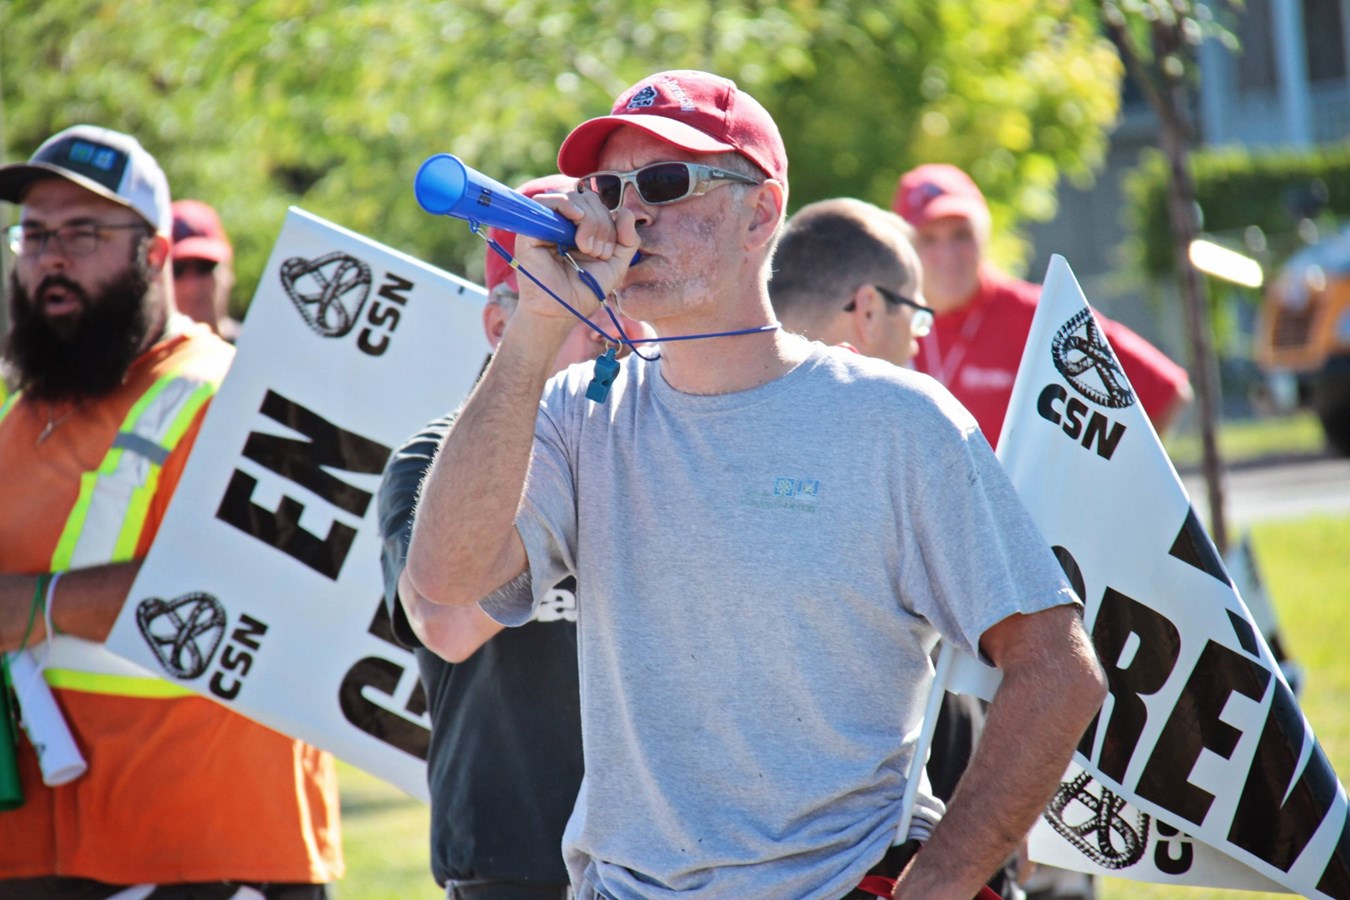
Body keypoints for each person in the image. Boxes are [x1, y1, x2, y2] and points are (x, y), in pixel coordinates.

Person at [405, 70, 1107, 900]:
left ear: (761, 214)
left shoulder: (897, 421)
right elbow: (445, 581)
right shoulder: (578, 412)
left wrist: (943, 879)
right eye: (607, 189)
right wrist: (535, 328)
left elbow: (1059, 672)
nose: (628, 216)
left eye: (665, 185)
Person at [0, 125, 342, 899]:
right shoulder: (17, 411)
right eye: (35, 233)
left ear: (154, 255)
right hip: (42, 852)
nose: (52, 256)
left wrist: (36, 606)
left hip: (210, 850)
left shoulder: (235, 396)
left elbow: (264, 590)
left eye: (84, 233)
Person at [379, 173, 650, 900]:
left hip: (663, 863)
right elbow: (445, 620)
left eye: (617, 303)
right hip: (515, 868)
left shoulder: (654, 448)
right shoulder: (432, 457)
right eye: (581, 305)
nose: (608, 329)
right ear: (502, 324)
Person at [769, 197, 1024, 899]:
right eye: (917, 313)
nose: (920, 342)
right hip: (892, 859)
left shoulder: (687, 430)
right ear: (868, 309)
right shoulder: (903, 434)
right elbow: (1056, 669)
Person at [893, 163, 1193, 447]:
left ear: (983, 236)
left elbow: (1164, 391)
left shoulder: (1039, 314)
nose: (947, 254)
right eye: (929, 239)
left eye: (961, 235)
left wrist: (1108, 481)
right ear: (904, 247)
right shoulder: (887, 321)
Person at [769, 197, 932, 367]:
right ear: (869, 312)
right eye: (917, 318)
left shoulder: (741, 385)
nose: (914, 348)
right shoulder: (913, 393)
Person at [170, 198, 241, 342]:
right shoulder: (143, 361)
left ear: (229, 271)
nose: (192, 286)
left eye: (205, 266)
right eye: (178, 270)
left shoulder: (261, 352)